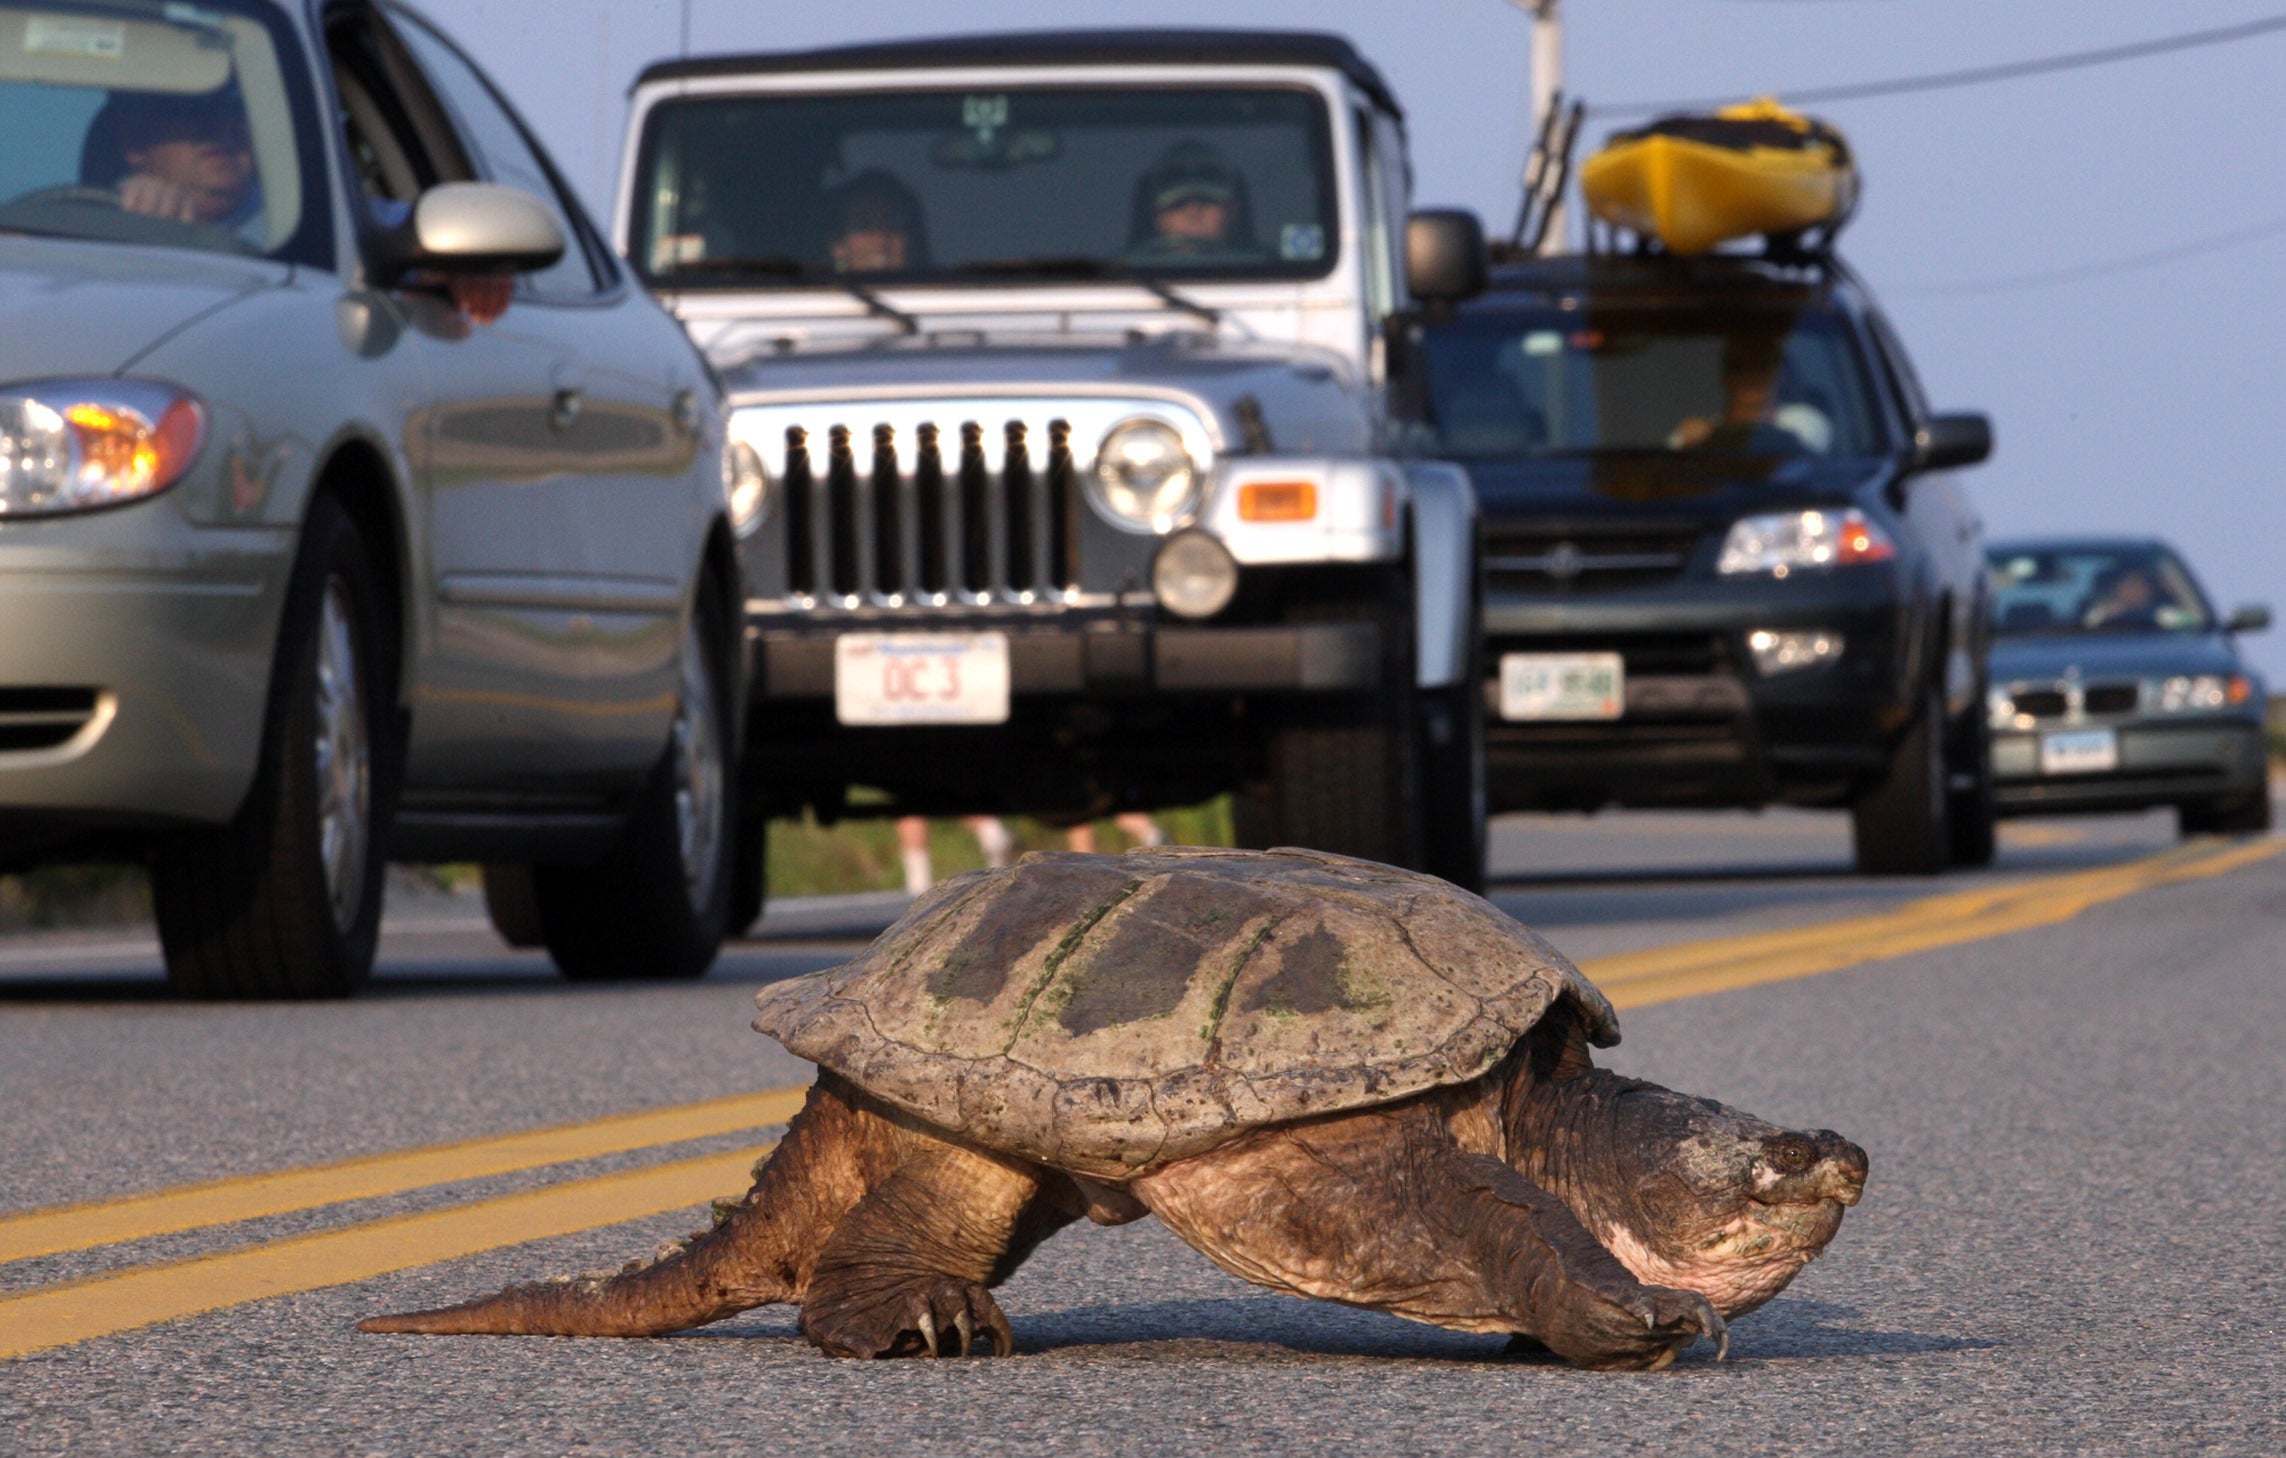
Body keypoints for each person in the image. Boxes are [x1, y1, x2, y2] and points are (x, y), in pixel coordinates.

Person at [82, 88, 261, 235]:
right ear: (134, 144)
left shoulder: (285, 239)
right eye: (190, 108)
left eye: (233, 107)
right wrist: (134, 209)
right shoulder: (95, 245)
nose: (219, 124)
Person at [1667, 335, 1831, 454]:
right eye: (1739, 367)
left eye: (1762, 366)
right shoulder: (1689, 434)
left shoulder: (1804, 420)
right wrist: (1687, 448)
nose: (1751, 375)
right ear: (1725, 377)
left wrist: (1709, 439)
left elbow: (1789, 447)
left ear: (1780, 375)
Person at [1127, 141, 1258, 262]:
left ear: (1232, 211)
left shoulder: (1267, 276)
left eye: (1206, 201)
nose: (1193, 212)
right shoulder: (1118, 278)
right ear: (1157, 216)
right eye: (1179, 204)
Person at [827, 170, 924, 274]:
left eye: (893, 224)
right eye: (863, 226)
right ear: (838, 246)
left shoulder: (938, 289)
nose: (880, 238)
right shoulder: (814, 290)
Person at [2082, 564, 2165, 631]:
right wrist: (2104, 613)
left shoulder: (2161, 614)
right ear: (2117, 588)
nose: (2135, 590)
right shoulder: (2094, 611)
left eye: (2141, 585)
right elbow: (2082, 631)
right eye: (2131, 584)